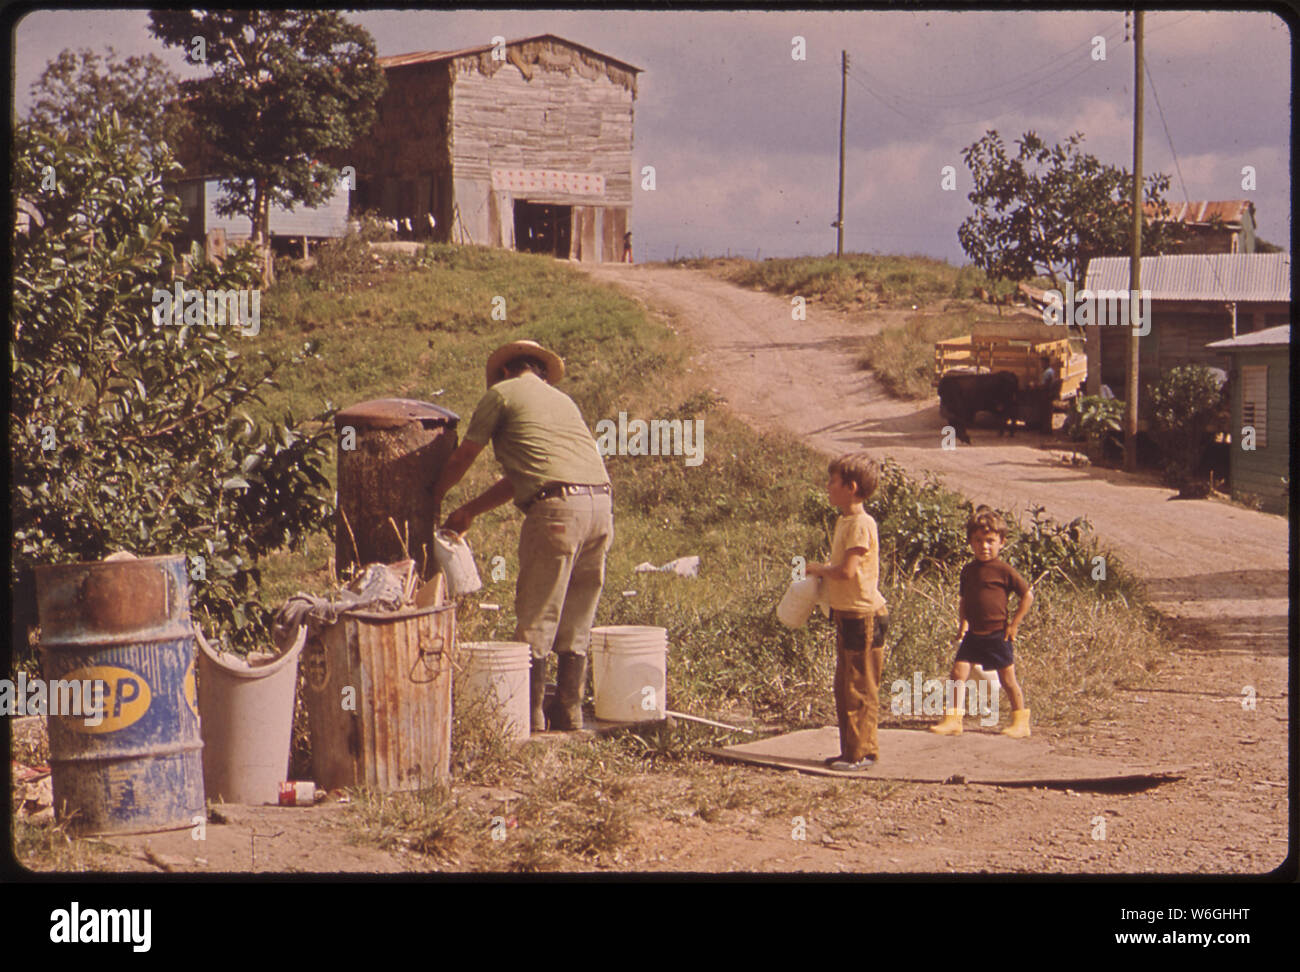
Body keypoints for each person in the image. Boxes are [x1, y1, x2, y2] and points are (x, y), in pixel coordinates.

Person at [432, 340, 613, 732]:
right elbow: (521, 479)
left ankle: (529, 718)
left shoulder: (501, 394)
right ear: (541, 374)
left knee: (537, 612)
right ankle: (568, 711)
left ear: (504, 372)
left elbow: (465, 455)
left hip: (557, 511)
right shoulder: (562, 402)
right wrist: (468, 511)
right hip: (601, 508)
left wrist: (431, 497)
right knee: (577, 614)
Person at [804, 452, 888, 772]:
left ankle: (859, 755)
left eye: (832, 482)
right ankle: (856, 750)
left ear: (850, 487)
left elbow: (848, 571)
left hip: (863, 616)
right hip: (850, 614)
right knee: (848, 685)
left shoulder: (860, 524)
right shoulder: (846, 521)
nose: (827, 486)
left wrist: (818, 569)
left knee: (857, 687)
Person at [930, 506, 1033, 737]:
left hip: (998, 634)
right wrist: (962, 624)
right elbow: (965, 599)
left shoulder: (1004, 570)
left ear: (1002, 542)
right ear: (970, 542)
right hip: (974, 634)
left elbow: (1027, 595)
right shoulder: (968, 571)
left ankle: (1021, 721)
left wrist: (1014, 624)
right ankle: (953, 719)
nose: (984, 546)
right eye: (978, 541)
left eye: (990, 540)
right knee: (958, 673)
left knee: (1008, 680)